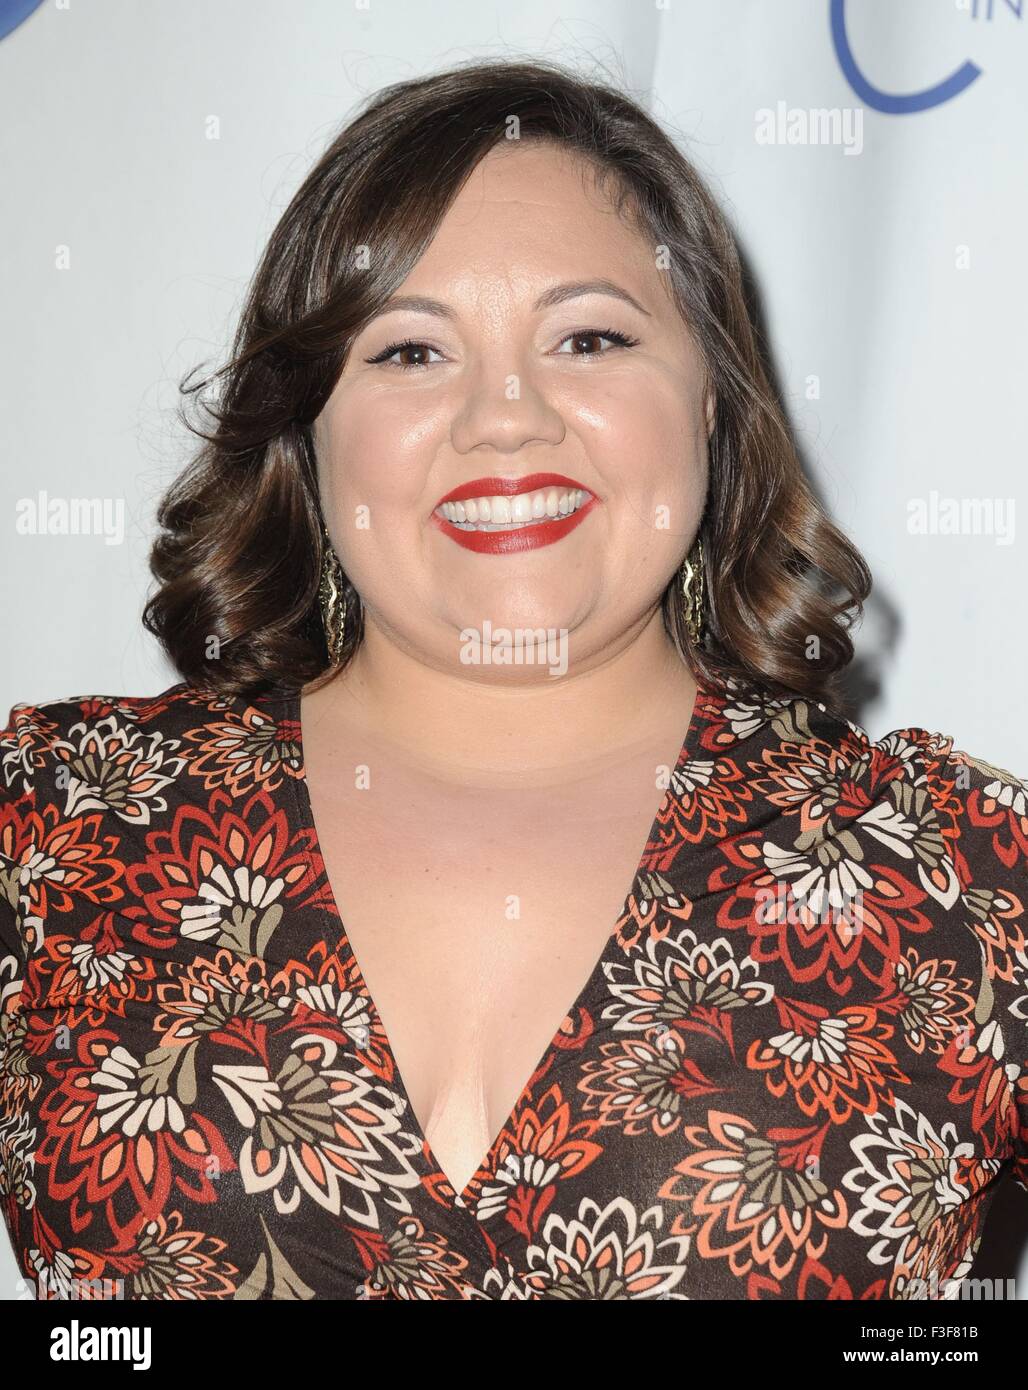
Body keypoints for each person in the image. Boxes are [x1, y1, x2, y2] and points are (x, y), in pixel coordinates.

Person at [1, 58, 1024, 1302]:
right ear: (304, 428)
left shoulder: (966, 877)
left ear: (712, 398)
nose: (503, 415)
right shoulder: (51, 825)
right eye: (410, 352)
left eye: (587, 337)